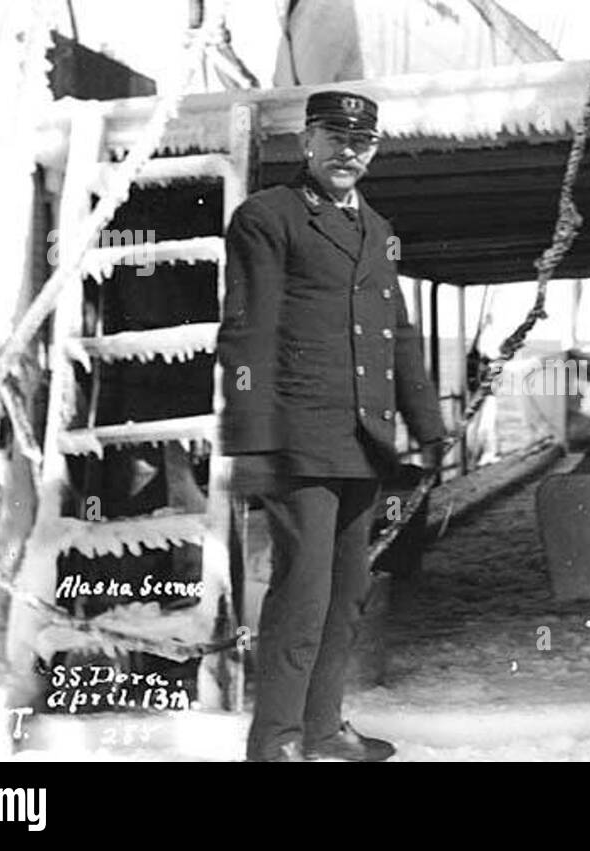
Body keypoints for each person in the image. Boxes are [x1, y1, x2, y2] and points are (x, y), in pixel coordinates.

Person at [216, 90, 447, 762]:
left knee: (349, 595)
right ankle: (276, 741)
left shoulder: (374, 227)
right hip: (296, 440)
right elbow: (245, 335)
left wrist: (426, 423)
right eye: (335, 138)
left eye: (362, 143)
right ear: (306, 142)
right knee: (304, 593)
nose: (348, 153)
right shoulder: (267, 218)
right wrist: (250, 442)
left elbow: (397, 334)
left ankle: (322, 729)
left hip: (363, 444)